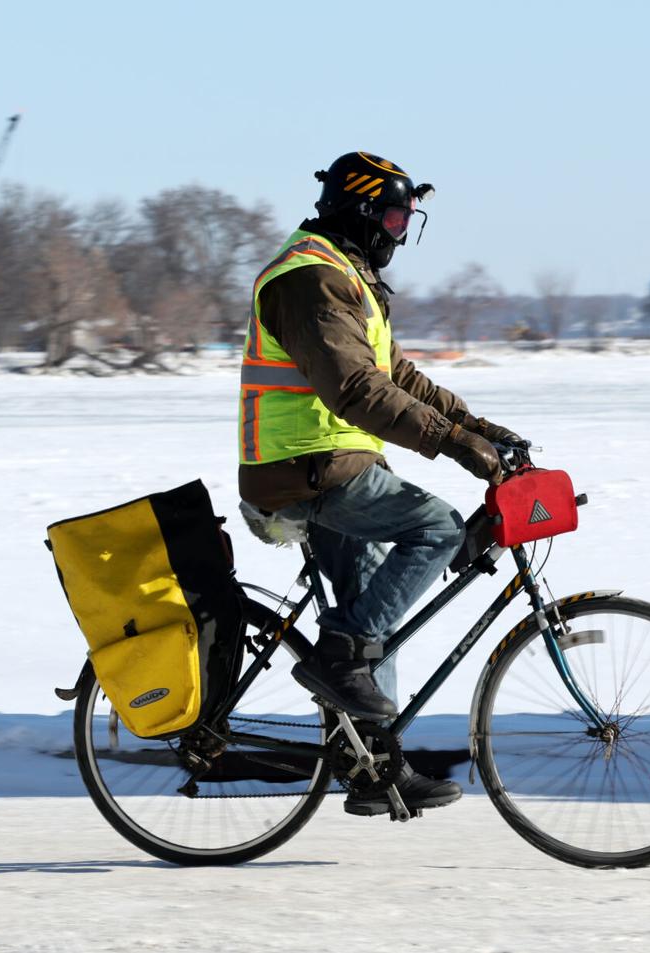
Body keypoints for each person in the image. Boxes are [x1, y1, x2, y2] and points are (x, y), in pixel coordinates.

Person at [237, 151, 527, 815]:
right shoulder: (309, 279)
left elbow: (403, 380)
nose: (400, 231)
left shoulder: (345, 276)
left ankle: (373, 766)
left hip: (332, 464)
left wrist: (483, 430)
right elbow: (357, 389)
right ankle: (336, 660)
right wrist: (454, 446)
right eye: (396, 215)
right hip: (303, 468)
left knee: (375, 612)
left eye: (408, 219)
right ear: (361, 211)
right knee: (437, 528)